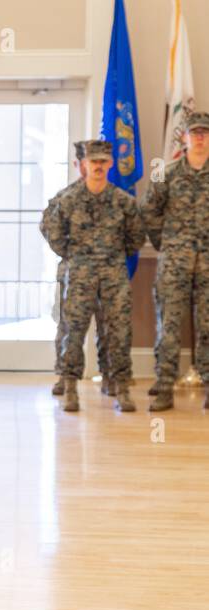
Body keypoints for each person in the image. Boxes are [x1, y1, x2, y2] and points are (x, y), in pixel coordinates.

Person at [39, 140, 144, 413]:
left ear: (110, 164)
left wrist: (112, 256)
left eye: (102, 162)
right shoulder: (68, 200)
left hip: (113, 274)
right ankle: (71, 386)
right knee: (73, 331)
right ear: (84, 165)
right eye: (93, 162)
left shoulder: (124, 202)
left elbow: (135, 238)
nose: (97, 167)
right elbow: (51, 230)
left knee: (119, 330)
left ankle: (121, 386)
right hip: (80, 274)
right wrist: (73, 255)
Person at [142, 111, 209, 411]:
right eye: (194, 132)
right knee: (168, 326)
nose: (200, 137)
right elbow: (148, 210)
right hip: (174, 262)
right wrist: (166, 243)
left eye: (205, 133)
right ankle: (165, 387)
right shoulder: (164, 173)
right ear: (183, 137)